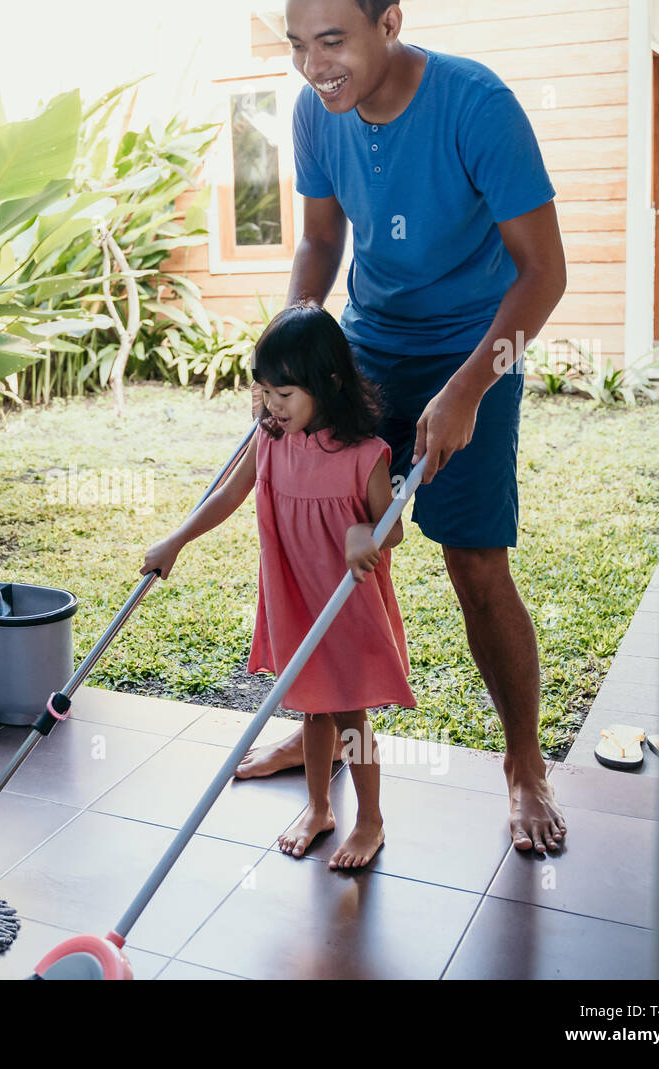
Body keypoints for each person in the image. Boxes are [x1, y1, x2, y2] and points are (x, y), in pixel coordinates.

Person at [237, 0, 569, 855]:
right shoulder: (317, 112)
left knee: (476, 565)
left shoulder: (475, 104)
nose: (315, 66)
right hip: (369, 347)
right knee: (317, 548)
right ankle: (324, 739)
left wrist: (466, 389)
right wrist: (291, 354)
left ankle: (524, 761)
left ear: (389, 21)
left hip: (476, 347)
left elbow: (543, 274)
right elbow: (319, 241)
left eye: (334, 41)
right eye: (300, 46)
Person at [142, 302, 413, 867]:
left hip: (346, 607)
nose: (272, 405)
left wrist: (366, 531)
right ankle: (318, 807)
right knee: (313, 709)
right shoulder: (268, 441)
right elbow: (228, 495)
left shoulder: (365, 456)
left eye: (285, 394)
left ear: (329, 383)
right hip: (296, 600)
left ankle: (372, 820)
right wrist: (177, 540)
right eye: (265, 392)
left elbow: (394, 533)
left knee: (350, 716)